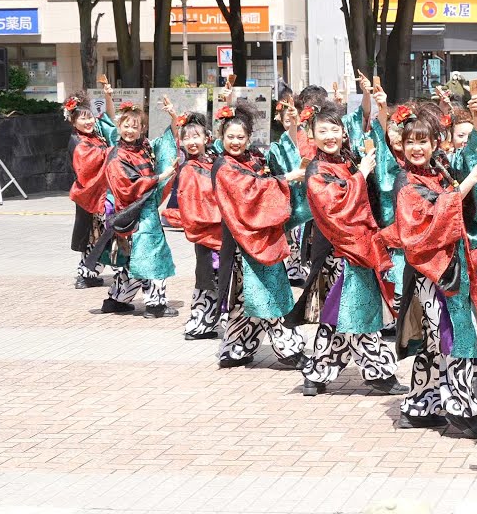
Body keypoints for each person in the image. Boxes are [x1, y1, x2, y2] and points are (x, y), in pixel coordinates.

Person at [392, 104, 477, 437]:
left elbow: (461, 191)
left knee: (436, 342)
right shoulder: (406, 184)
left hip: (447, 268)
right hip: (431, 273)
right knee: (455, 336)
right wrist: (468, 183)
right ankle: (459, 407)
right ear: (401, 145)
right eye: (410, 142)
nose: (417, 148)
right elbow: (434, 217)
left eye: (423, 141)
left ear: (436, 142)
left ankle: (420, 405)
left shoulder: (438, 170)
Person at [301, 103, 408, 396]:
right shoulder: (317, 169)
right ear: (312, 135)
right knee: (358, 313)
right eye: (322, 130)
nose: (330, 135)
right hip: (340, 253)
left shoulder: (345, 161)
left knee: (338, 317)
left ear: (344, 132)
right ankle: (380, 373)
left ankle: (317, 372)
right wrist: (360, 175)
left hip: (357, 249)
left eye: (335, 129)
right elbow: (334, 207)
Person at [212, 102, 309, 369]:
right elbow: (250, 191)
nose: (235, 142)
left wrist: (292, 127)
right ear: (222, 137)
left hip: (258, 234)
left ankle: (234, 348)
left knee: (246, 296)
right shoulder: (224, 166)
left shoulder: (252, 158)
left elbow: (265, 179)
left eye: (240, 137)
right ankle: (288, 348)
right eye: (230, 137)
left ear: (249, 138)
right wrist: (288, 178)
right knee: (270, 292)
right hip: (245, 238)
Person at [100, 101, 179, 317]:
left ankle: (116, 300)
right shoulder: (117, 155)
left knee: (132, 262)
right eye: (126, 125)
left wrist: (173, 118)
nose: (130, 130)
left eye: (135, 126)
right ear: (119, 126)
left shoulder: (143, 147)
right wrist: (159, 177)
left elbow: (165, 144)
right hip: (136, 214)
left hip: (139, 214)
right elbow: (128, 185)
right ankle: (155, 305)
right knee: (153, 258)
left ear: (142, 128)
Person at [166, 109, 225, 339]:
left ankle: (203, 324)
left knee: (213, 279)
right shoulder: (189, 169)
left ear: (206, 138)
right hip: (207, 232)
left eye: (196, 136)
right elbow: (194, 203)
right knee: (208, 278)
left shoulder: (212, 159)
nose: (191, 142)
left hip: (219, 231)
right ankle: (198, 325)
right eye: (186, 137)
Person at [65, 89, 119, 290]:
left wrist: (108, 98)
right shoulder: (78, 142)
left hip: (102, 193)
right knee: (95, 235)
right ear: (73, 121)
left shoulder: (94, 135)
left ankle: (89, 272)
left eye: (90, 118)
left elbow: (110, 122)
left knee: (100, 234)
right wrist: (114, 152)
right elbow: (88, 165)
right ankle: (86, 272)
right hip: (92, 194)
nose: (88, 122)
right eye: (83, 119)